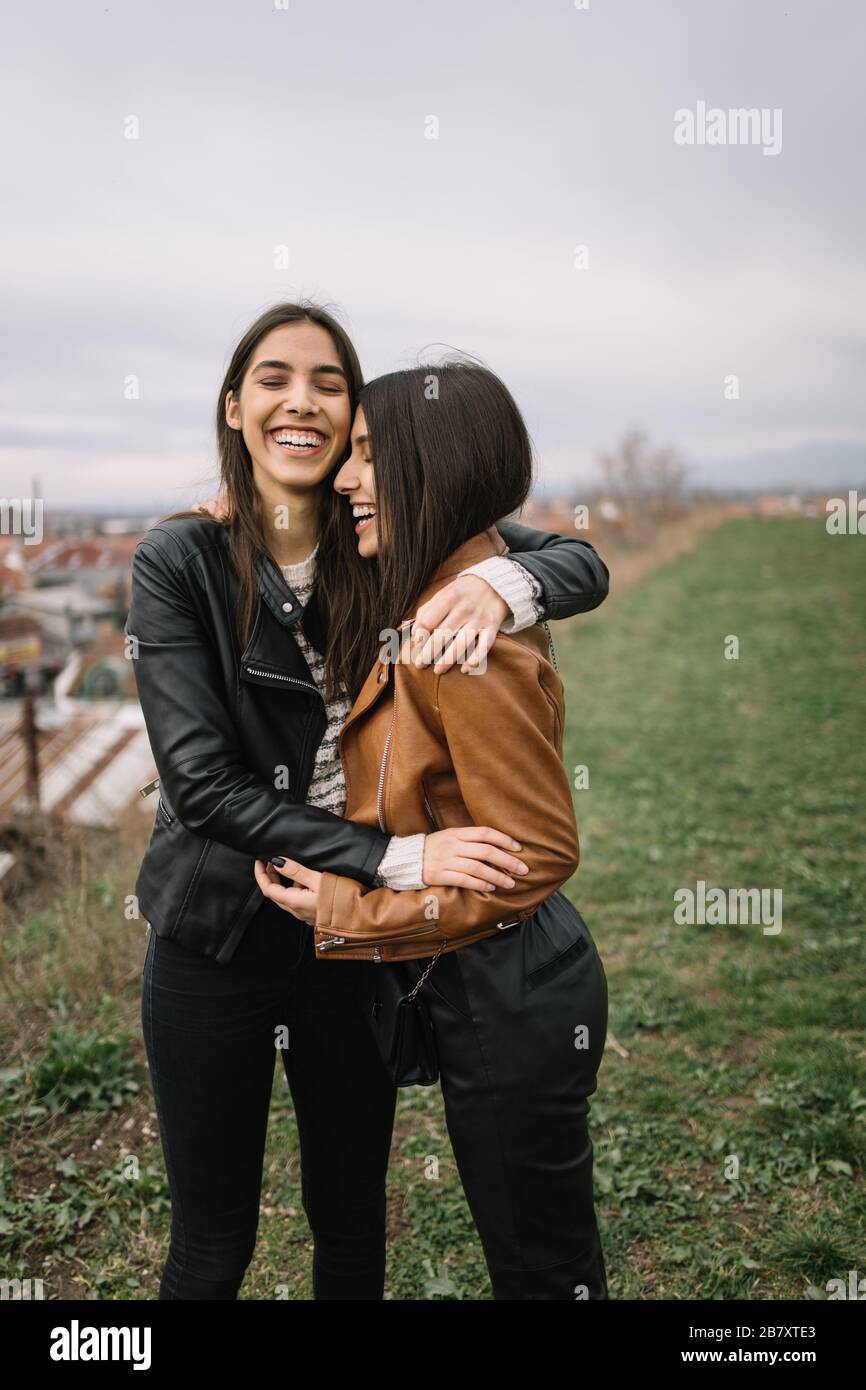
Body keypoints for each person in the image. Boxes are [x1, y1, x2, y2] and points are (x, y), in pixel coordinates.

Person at [127, 301, 610, 1299]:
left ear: (353, 422)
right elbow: (202, 782)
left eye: (329, 388)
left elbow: (572, 554)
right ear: (231, 407)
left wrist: (507, 588)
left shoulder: (380, 540)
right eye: (270, 377)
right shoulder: (181, 559)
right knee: (211, 1243)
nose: (300, 403)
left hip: (346, 946)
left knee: (350, 1221)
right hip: (220, 926)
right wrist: (397, 860)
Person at [256, 360, 609, 1300]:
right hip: (487, 978)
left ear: (431, 469)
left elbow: (534, 855)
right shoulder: (436, 588)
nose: (344, 478)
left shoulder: (462, 638)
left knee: (542, 1270)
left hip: (507, 987)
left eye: (369, 456)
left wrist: (348, 907)